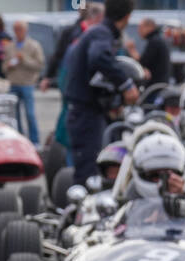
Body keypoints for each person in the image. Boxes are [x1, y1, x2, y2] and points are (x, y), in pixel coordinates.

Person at [65, 0, 140, 184]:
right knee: (89, 173)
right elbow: (98, 57)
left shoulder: (97, 32)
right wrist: (126, 85)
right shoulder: (101, 32)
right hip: (85, 113)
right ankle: (84, 211)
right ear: (127, 17)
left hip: (86, 111)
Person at [40, 4, 103, 91]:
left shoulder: (70, 30)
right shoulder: (96, 31)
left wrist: (48, 76)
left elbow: (58, 54)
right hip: (80, 73)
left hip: (70, 73)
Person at [0, 19, 43, 145]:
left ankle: (35, 141)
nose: (17, 32)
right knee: (15, 116)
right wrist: (9, 65)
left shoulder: (34, 45)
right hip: (13, 84)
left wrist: (24, 60)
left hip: (27, 84)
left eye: (20, 29)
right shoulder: (9, 46)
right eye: (15, 29)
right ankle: (19, 139)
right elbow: (3, 67)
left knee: (30, 114)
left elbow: (39, 65)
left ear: (26, 30)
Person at [129, 17, 170, 88]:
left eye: (141, 28)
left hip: (156, 85)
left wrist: (132, 50)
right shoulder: (158, 39)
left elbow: (143, 62)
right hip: (161, 83)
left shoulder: (154, 42)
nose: (139, 31)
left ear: (150, 27)